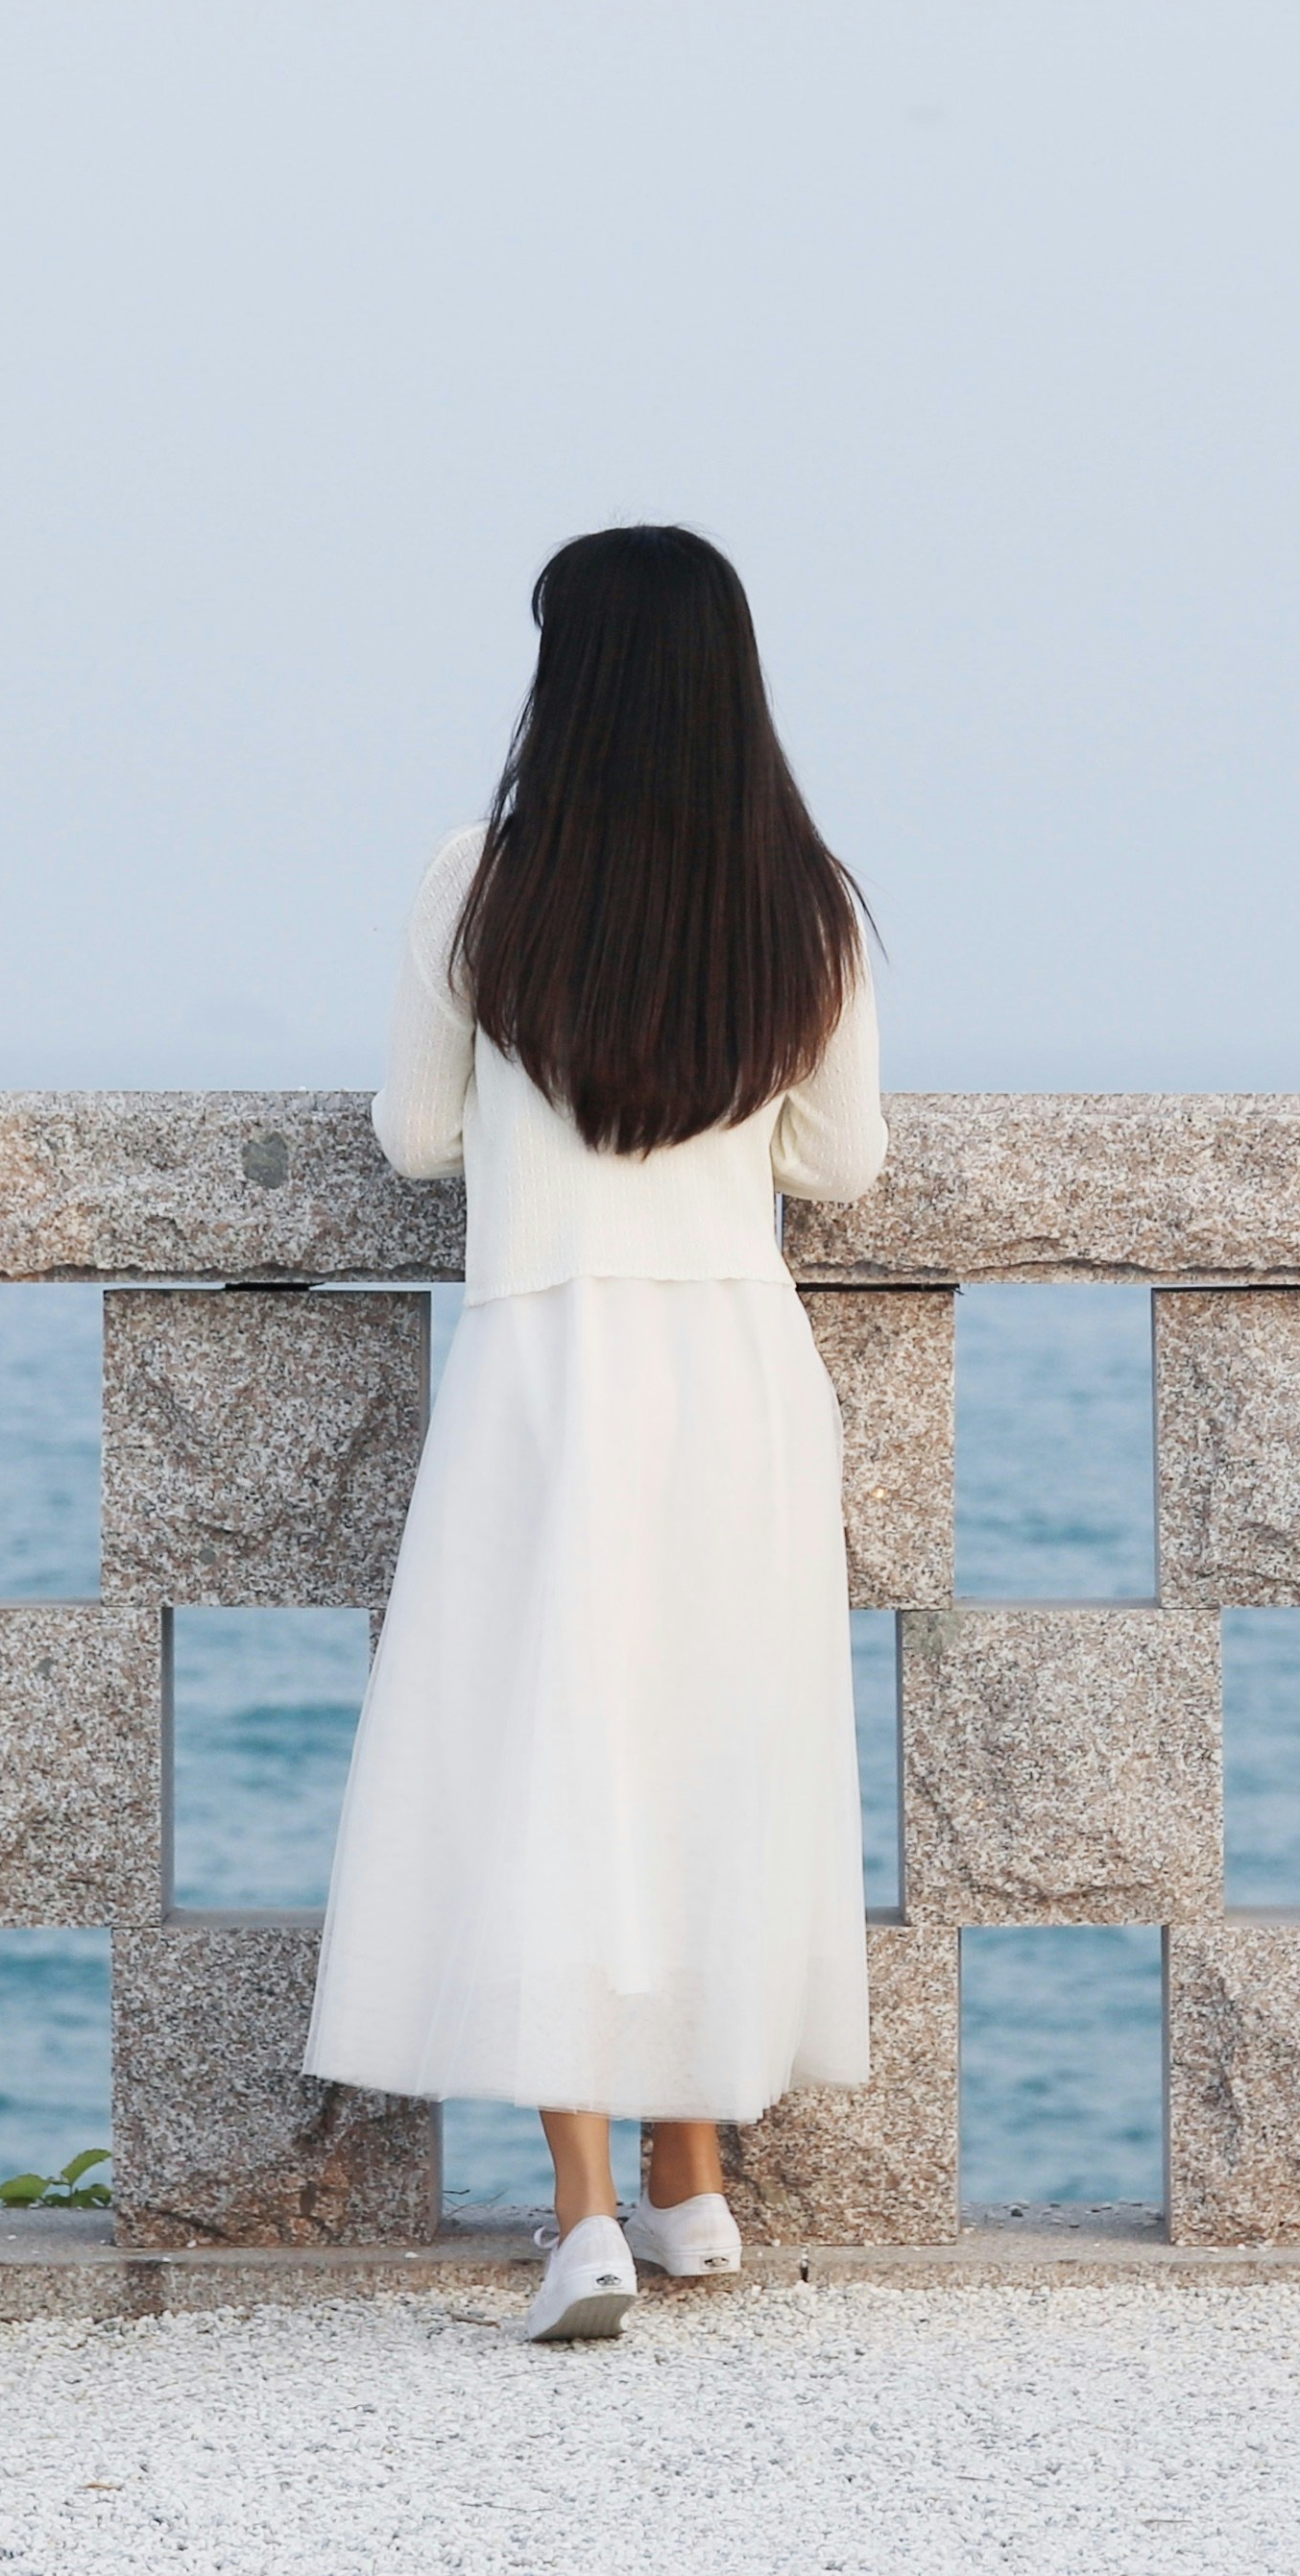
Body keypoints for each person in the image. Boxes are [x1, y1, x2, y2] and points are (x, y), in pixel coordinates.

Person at [301, 523, 887, 2345]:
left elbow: (413, 1137)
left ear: (569, 674)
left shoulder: (483, 882)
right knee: (712, 1743)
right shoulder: (806, 898)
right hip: (734, 1364)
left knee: (558, 1753)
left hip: (548, 1363)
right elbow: (844, 1163)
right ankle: (693, 2180)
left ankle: (583, 2219)